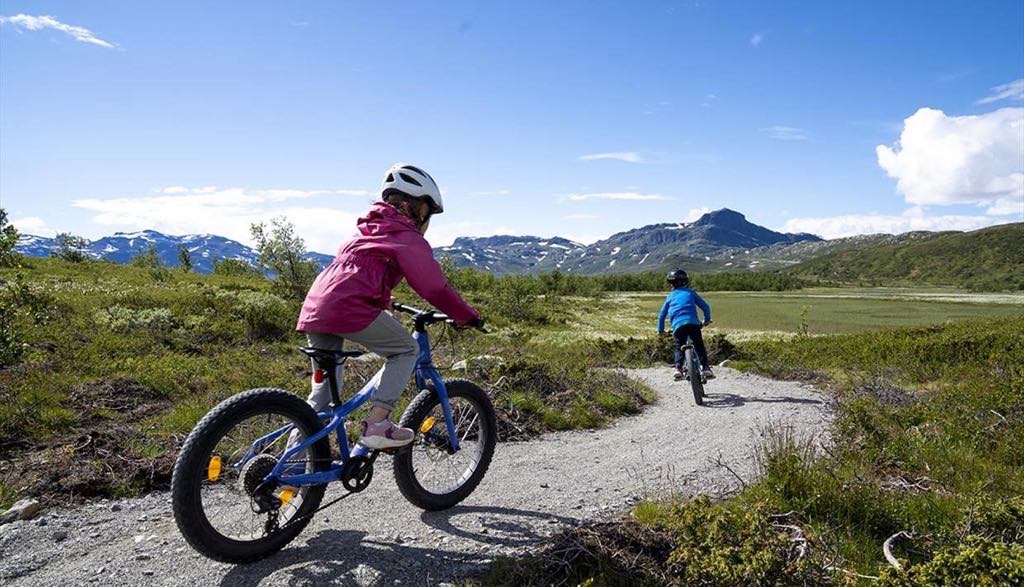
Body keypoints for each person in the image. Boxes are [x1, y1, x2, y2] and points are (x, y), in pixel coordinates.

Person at [295, 163, 481, 449]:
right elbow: (433, 287)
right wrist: (466, 316)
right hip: (348, 307)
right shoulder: (405, 236)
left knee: (320, 398)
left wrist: (383, 299)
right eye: (427, 211)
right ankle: (377, 424)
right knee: (406, 350)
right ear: (414, 206)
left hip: (317, 306)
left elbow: (356, 272)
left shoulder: (366, 231)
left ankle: (290, 475)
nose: (427, 219)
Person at [657, 269, 714, 381]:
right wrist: (706, 320)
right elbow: (705, 307)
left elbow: (661, 316)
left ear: (670, 283)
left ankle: (678, 369)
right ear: (685, 282)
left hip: (678, 326)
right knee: (698, 345)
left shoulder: (670, 296)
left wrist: (661, 331)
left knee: (679, 347)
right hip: (693, 323)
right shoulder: (691, 293)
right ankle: (706, 368)